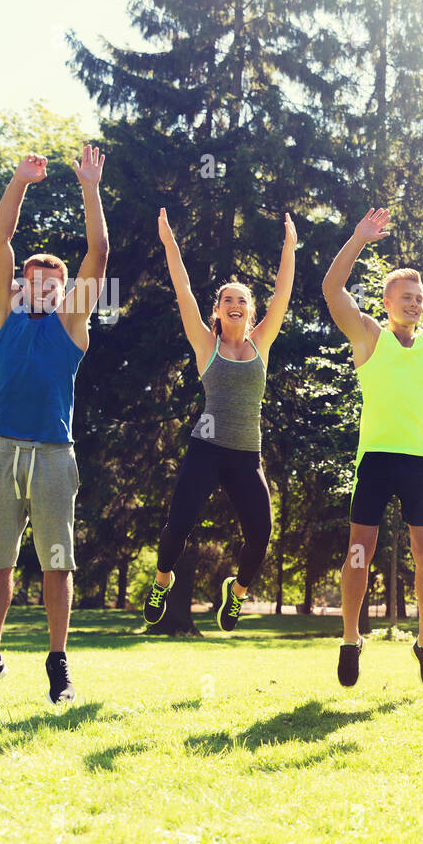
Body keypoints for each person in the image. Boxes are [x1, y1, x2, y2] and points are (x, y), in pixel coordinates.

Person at [321, 209, 423, 689]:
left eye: (420, 298)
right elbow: (333, 291)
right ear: (387, 301)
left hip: (417, 463)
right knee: (360, 550)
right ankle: (351, 638)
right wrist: (357, 239)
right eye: (406, 297)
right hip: (375, 460)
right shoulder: (369, 337)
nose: (415, 304)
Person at [0, 146, 108, 704]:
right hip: (1, 452)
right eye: (33, 280)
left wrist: (89, 186)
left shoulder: (72, 324)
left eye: (54, 282)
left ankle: (58, 663)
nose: (42, 288)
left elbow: (98, 249)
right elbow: (0, 240)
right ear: (21, 285)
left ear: (65, 290)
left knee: (57, 562)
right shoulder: (5, 316)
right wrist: (20, 182)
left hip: (53, 455)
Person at [142, 210, 296, 631]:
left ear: (251, 311)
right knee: (179, 523)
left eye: (242, 300)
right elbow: (183, 289)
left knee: (261, 535)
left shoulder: (262, 342)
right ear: (218, 309)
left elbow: (282, 293)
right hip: (206, 449)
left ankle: (237, 594)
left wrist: (288, 248)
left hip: (247, 456)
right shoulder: (204, 343)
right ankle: (161, 581)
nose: (235, 305)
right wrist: (170, 244)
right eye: (228, 299)